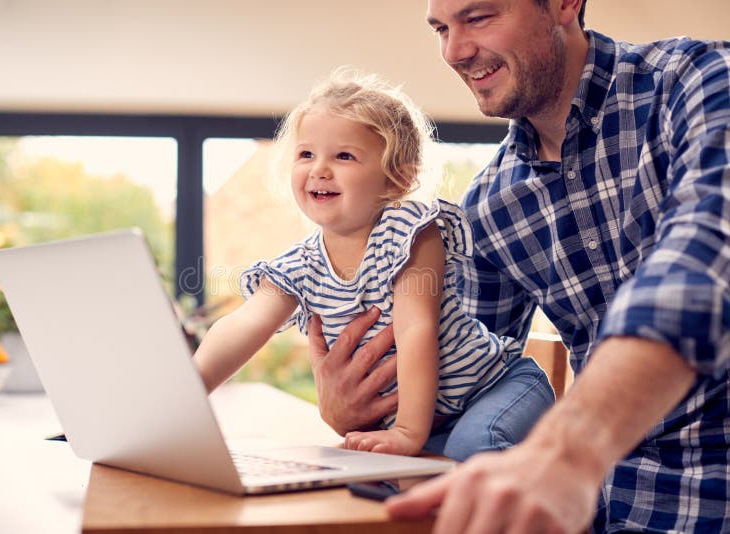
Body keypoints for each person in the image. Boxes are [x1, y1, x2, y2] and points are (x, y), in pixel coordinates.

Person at [309, 0, 730, 532]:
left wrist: (569, 448)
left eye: (479, 17)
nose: (455, 51)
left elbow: (707, 259)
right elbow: (465, 381)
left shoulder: (698, 82)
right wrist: (357, 406)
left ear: (563, 5)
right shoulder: (491, 202)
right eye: (442, 28)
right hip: (598, 511)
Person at [192, 69, 554, 458]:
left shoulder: (411, 231)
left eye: (344, 156)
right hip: (434, 422)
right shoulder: (299, 267)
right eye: (306, 154)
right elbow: (243, 324)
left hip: (497, 389)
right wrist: (186, 394)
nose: (319, 169)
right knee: (369, 480)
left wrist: (407, 431)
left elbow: (416, 327)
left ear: (397, 178)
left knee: (473, 447)